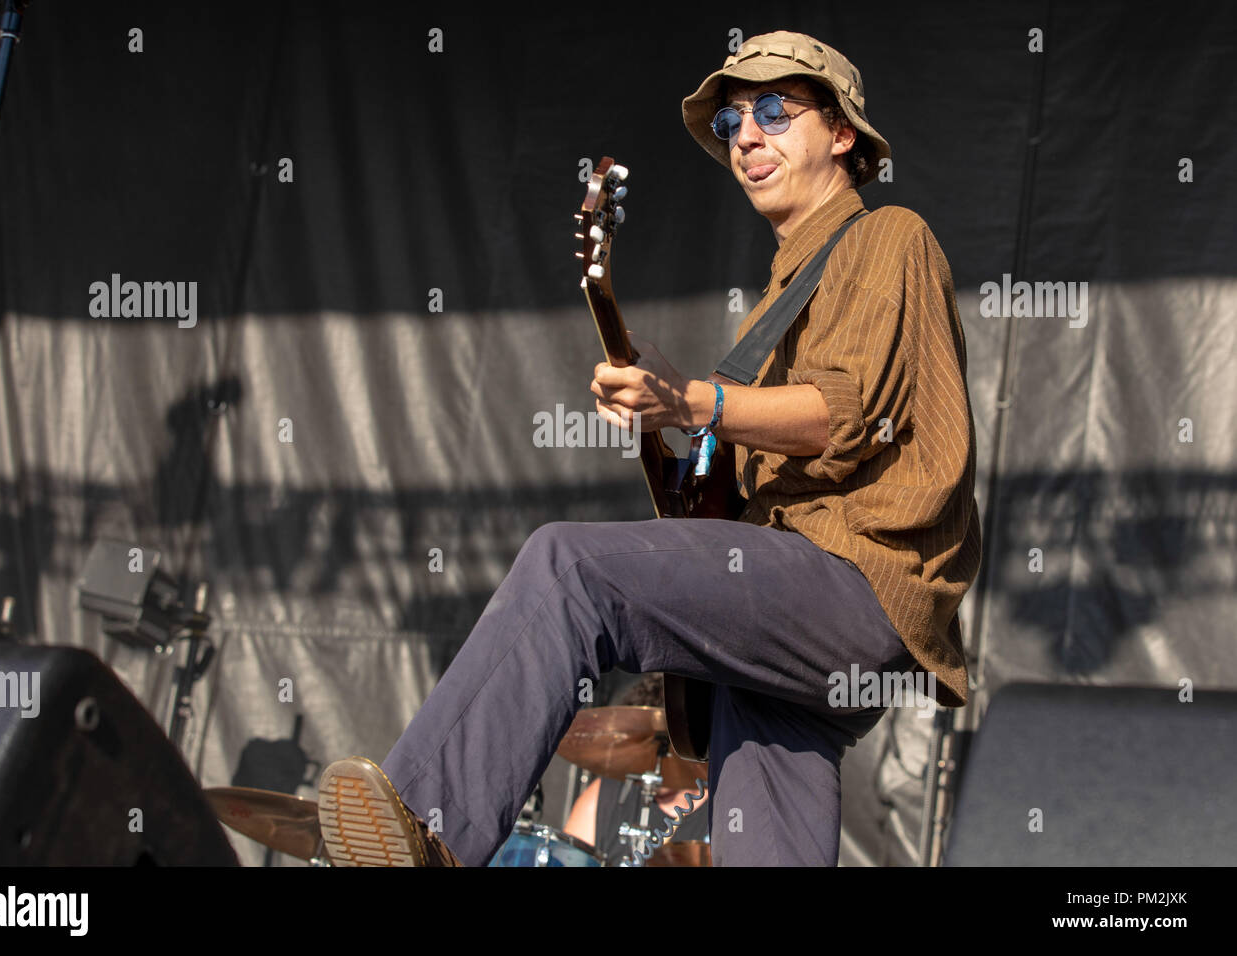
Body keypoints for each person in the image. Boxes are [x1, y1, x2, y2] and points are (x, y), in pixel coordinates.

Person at [315, 30, 981, 867]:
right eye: (734, 120)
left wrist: (694, 400)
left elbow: (841, 418)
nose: (746, 135)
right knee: (768, 821)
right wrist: (676, 419)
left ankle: (432, 830)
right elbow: (745, 479)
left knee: (571, 568)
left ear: (843, 134)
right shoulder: (778, 298)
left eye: (775, 110)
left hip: (855, 577)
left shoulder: (889, 238)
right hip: (810, 615)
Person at [560, 673, 711, 865]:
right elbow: (568, 860)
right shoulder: (603, 796)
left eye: (663, 747)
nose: (651, 758)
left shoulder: (725, 809)